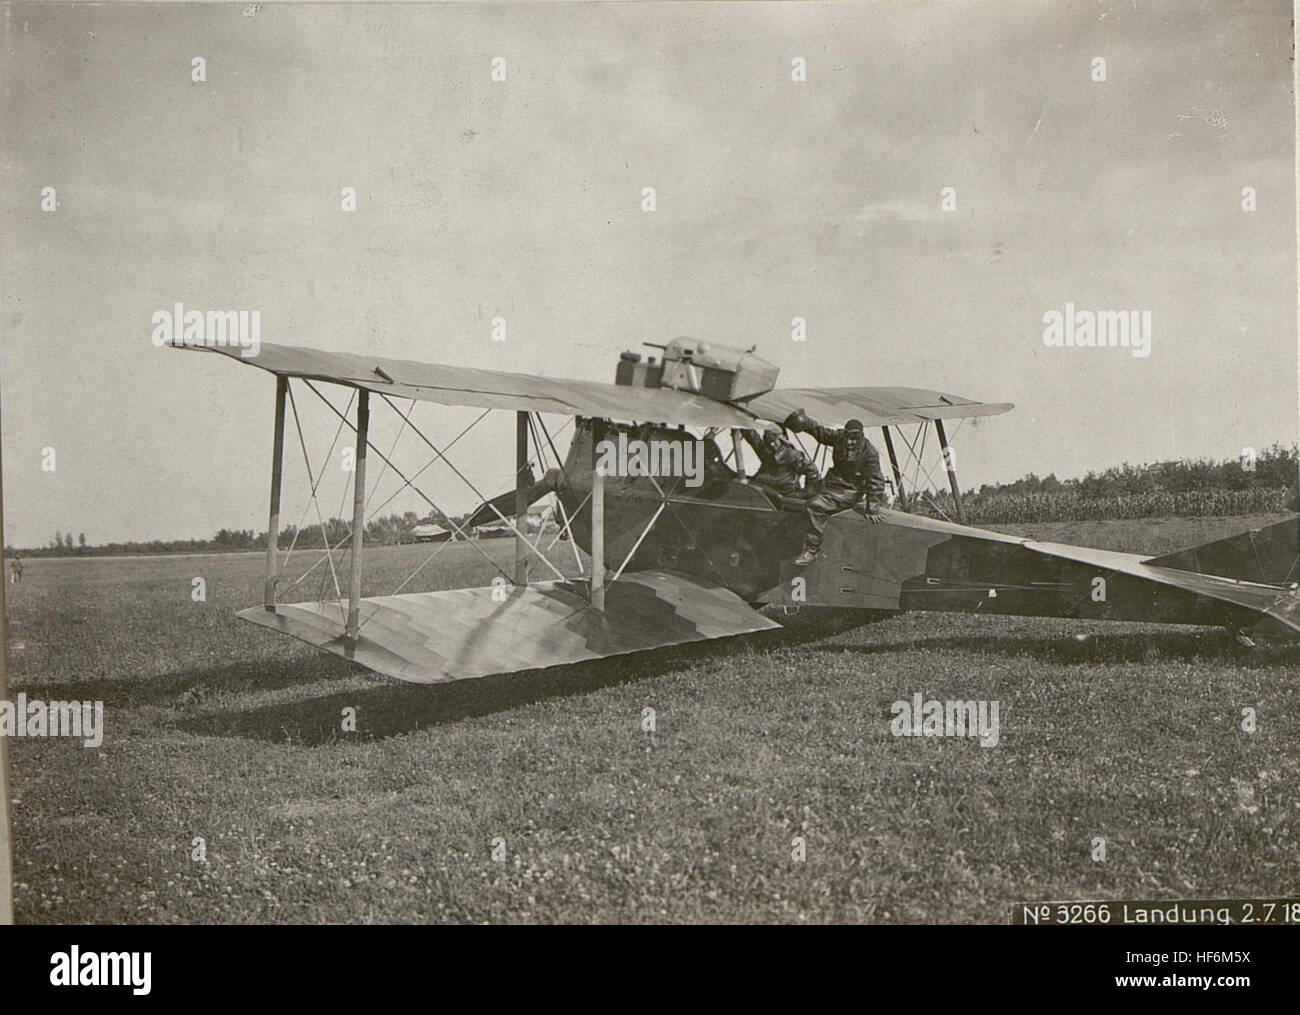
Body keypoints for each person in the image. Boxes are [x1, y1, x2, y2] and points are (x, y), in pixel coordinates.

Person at [783, 410, 888, 565]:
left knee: (814, 506)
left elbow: (876, 480)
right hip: (830, 484)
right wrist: (804, 422)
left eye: (854, 439)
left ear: (861, 436)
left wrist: (872, 507)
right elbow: (821, 433)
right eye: (847, 438)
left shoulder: (869, 453)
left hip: (848, 491)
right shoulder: (840, 438)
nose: (849, 442)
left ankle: (811, 550)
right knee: (793, 497)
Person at [738, 421, 819, 495]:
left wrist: (806, 493)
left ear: (781, 439)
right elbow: (752, 437)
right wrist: (740, 422)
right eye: (769, 441)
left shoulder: (793, 455)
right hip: (764, 486)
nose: (772, 444)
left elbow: (812, 471)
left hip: (784, 491)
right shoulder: (765, 450)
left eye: (774, 441)